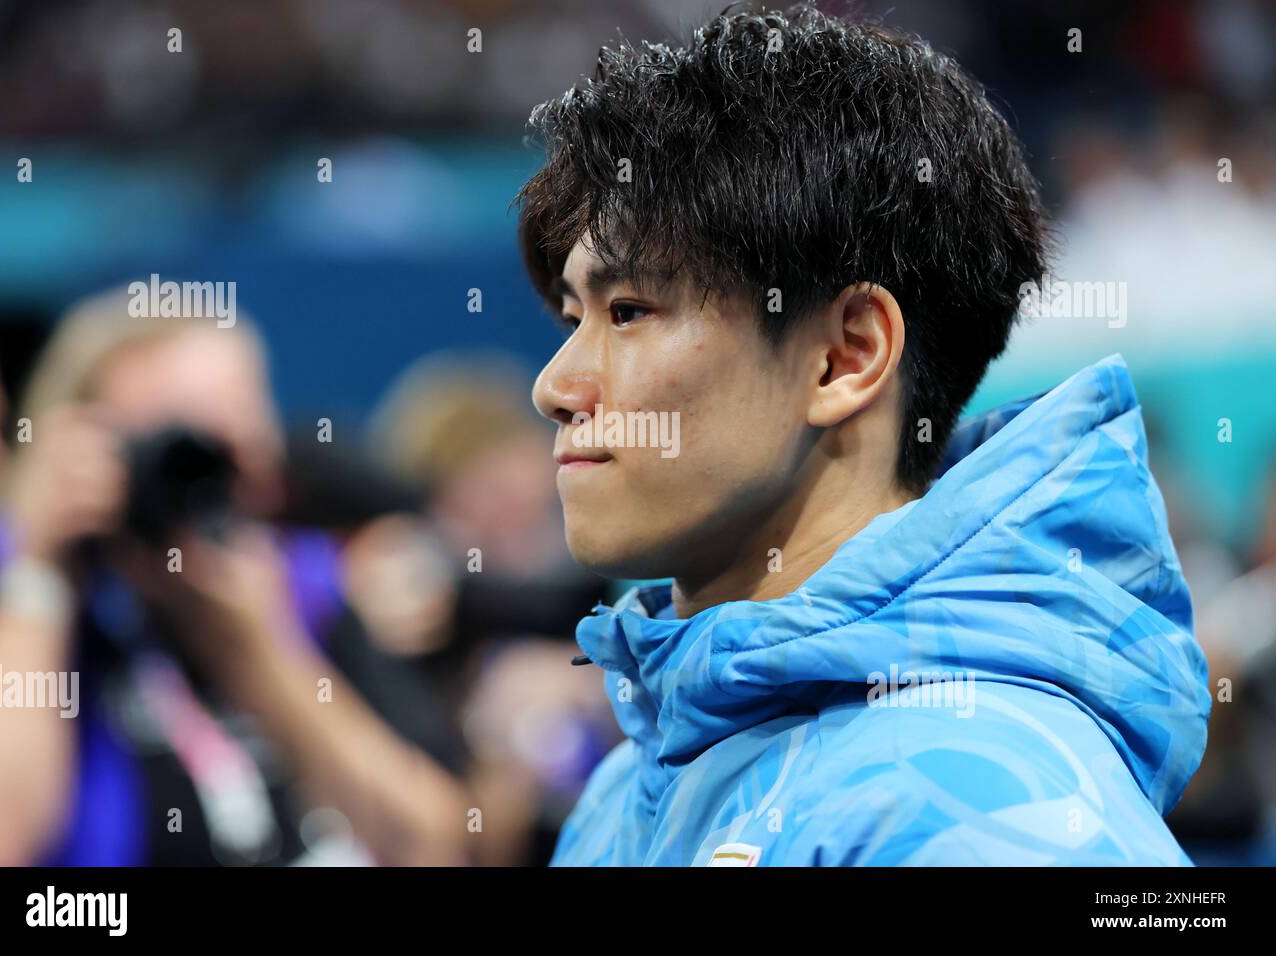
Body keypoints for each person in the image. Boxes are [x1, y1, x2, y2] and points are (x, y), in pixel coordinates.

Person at [516, 5, 1209, 865]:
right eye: (572, 316)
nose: (554, 388)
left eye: (628, 312)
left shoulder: (993, 816)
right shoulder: (627, 790)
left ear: (846, 356)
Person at [0, 289, 469, 866]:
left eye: (236, 439)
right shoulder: (18, 600)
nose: (212, 478)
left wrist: (257, 654)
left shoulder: (307, 590)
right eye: (177, 446)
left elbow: (434, 848)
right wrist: (39, 577)